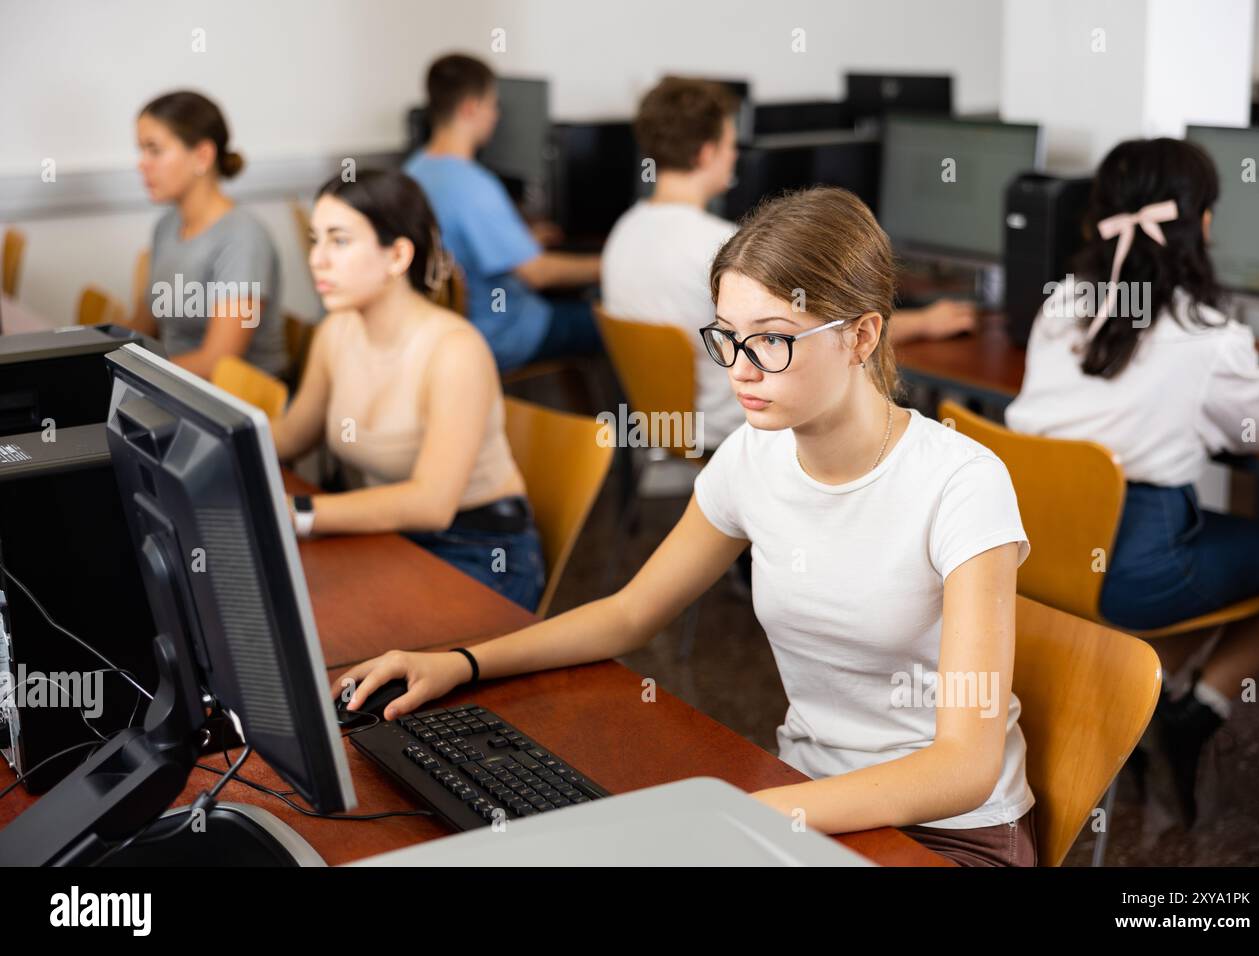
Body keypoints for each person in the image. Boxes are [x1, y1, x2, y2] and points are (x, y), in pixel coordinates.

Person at [335, 187, 1038, 866]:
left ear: (860, 336)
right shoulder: (754, 454)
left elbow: (964, 768)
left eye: (772, 341)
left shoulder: (960, 484)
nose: (739, 368)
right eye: (727, 338)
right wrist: (461, 662)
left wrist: (754, 815)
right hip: (807, 802)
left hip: (947, 836)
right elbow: (630, 612)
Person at [1004, 137, 1259, 825]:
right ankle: (1192, 712)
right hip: (1134, 568)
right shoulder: (1209, 333)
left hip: (1035, 553)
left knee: (1216, 562)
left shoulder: (1061, 305)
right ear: (1204, 225)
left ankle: (1136, 703)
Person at [603, 76, 978, 451]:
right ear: (706, 153)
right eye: (732, 144)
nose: (735, 156)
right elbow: (830, 335)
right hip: (737, 426)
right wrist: (928, 321)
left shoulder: (624, 231)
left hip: (664, 422)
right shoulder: (728, 252)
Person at [271, 169, 545, 612]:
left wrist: (299, 512)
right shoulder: (336, 331)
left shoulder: (455, 350)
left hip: (478, 548)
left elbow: (431, 503)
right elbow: (292, 435)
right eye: (315, 239)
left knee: (338, 632)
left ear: (397, 255)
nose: (317, 259)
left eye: (338, 241)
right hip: (391, 537)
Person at [404, 54, 603, 372]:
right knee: (610, 321)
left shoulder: (414, 171)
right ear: (471, 108)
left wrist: (520, 240)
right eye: (493, 105)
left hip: (446, 332)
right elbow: (538, 274)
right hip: (501, 335)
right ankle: (626, 423)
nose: (496, 116)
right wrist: (608, 265)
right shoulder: (474, 185)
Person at [129, 90, 286, 379]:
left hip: (230, 402)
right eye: (141, 150)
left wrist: (133, 372)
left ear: (202, 156)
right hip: (175, 387)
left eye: (154, 149)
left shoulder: (243, 237)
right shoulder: (166, 226)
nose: (142, 163)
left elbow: (217, 363)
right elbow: (141, 329)